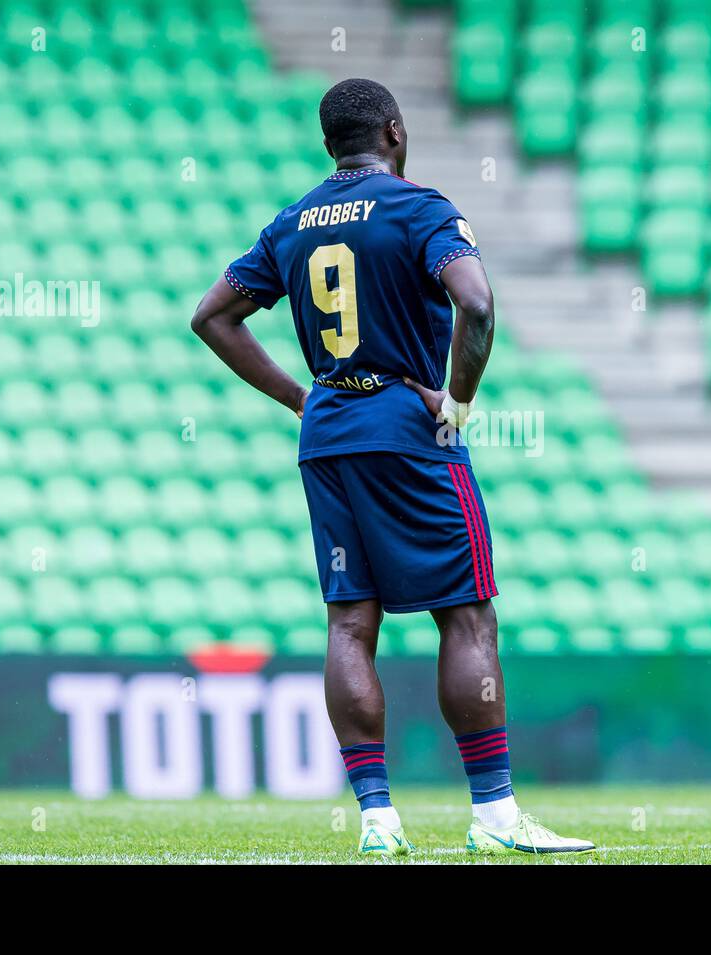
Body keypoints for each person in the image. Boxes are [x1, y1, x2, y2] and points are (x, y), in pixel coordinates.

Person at [191, 78, 594, 856]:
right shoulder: (420, 209)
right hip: (408, 428)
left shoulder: (293, 222)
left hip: (330, 432)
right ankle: (496, 814)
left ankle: (378, 820)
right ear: (396, 132)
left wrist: (300, 399)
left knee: (349, 622)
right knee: (467, 614)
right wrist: (459, 405)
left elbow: (211, 316)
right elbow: (476, 304)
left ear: (330, 144)